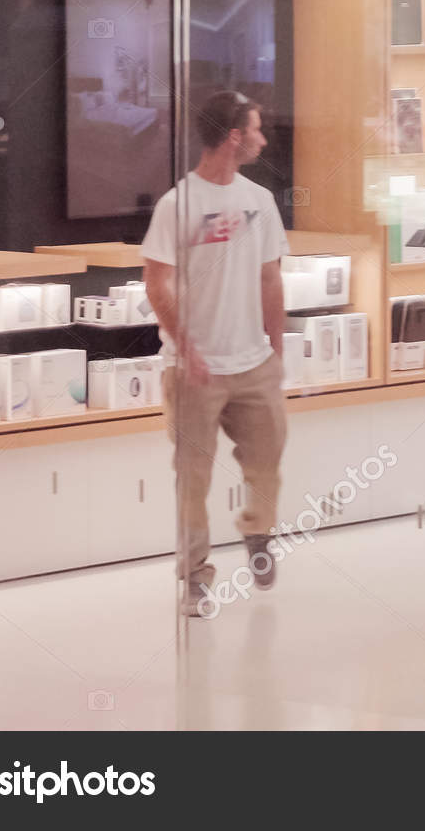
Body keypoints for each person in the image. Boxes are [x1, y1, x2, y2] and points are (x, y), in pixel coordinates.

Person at [142, 90, 290, 618]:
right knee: (193, 483)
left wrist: (275, 347)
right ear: (234, 137)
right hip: (193, 372)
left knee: (267, 464)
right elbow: (157, 283)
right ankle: (195, 579)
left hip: (253, 365)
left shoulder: (259, 201)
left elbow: (270, 277)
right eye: (255, 129)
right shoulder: (176, 206)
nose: (263, 139)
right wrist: (186, 347)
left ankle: (257, 533)